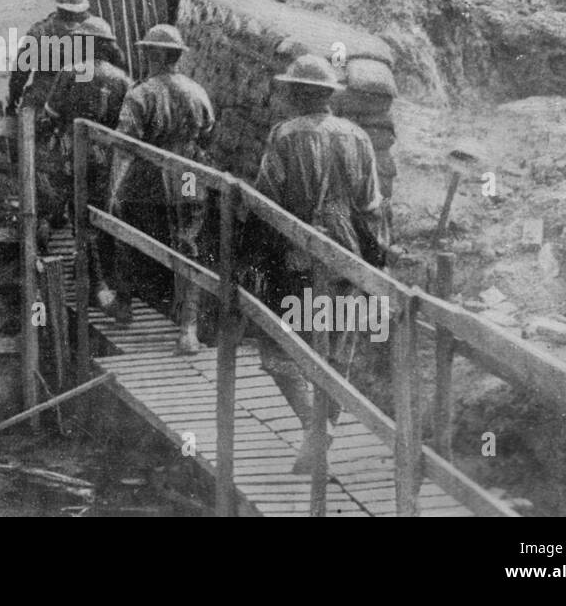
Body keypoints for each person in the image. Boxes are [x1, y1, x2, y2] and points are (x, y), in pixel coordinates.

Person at [247, 53, 390, 473]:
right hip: (347, 252)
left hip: (297, 251)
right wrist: (373, 258)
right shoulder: (358, 136)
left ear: (295, 93)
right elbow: (371, 205)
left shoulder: (285, 135)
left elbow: (266, 199)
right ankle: (322, 428)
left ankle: (313, 424)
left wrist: (258, 253)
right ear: (328, 95)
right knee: (339, 343)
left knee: (278, 343)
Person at [106, 24, 214, 353]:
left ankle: (123, 305)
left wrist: (114, 186)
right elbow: (207, 133)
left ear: (154, 55)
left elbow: (124, 141)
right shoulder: (198, 91)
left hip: (149, 177)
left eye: (148, 53)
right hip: (189, 176)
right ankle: (188, 329)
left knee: (127, 234)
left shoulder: (141, 94)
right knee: (188, 245)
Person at [39, 16, 132, 299]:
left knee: (77, 214)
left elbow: (51, 114)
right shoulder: (122, 79)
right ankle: (102, 277)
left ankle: (90, 277)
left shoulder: (73, 72)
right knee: (102, 213)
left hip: (73, 154)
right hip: (108, 158)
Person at [6, 0, 90, 116]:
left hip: (43, 98)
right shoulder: (89, 32)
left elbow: (20, 72)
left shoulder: (39, 31)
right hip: (76, 100)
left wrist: (13, 101)